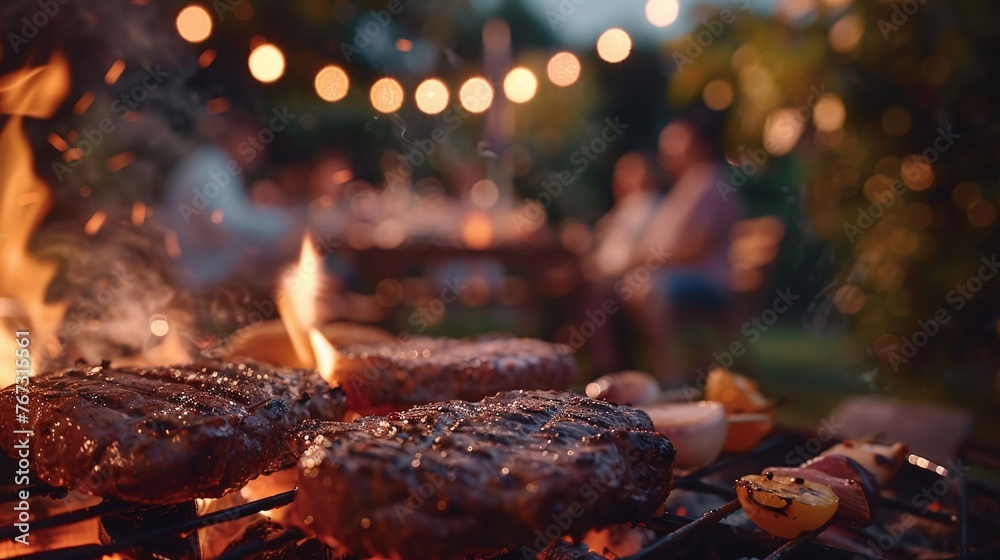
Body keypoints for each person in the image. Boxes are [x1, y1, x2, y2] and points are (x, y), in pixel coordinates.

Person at [628, 115, 747, 386]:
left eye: (674, 140)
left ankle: (672, 378)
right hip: (683, 278)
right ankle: (620, 367)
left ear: (697, 143)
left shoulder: (710, 179)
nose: (666, 148)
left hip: (708, 283)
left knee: (646, 290)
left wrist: (646, 259)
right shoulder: (688, 185)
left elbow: (696, 248)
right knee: (614, 287)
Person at [157, 110, 301, 293]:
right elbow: (232, 221)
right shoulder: (211, 169)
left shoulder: (210, 165)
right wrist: (287, 222)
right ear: (241, 139)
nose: (260, 152)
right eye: (257, 142)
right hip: (199, 280)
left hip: (199, 275)